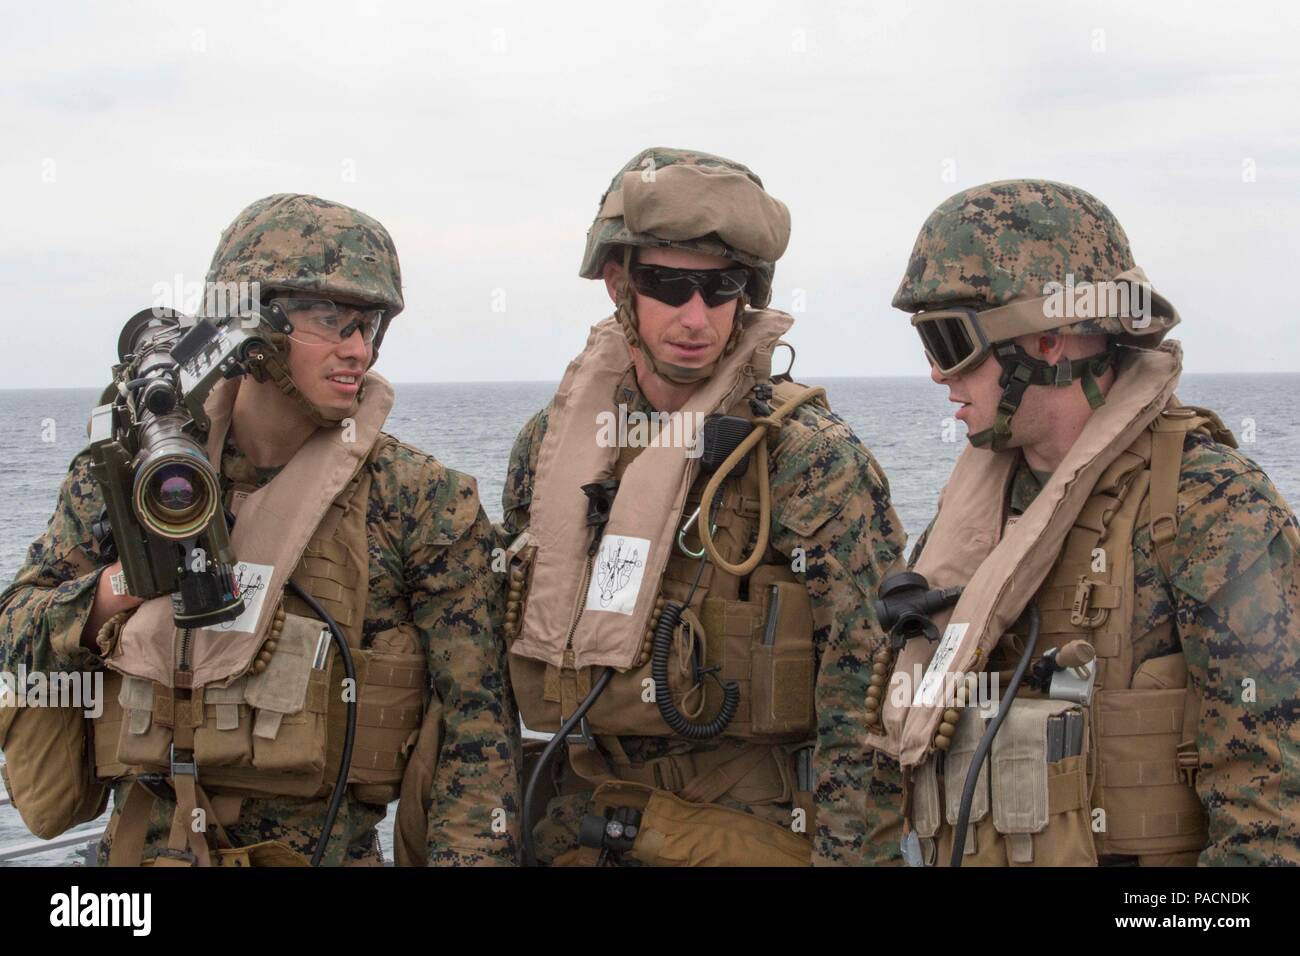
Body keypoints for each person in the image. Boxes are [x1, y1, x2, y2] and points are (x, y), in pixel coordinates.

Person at [0, 193, 520, 866]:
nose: (357, 350)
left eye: (371, 327)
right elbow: (15, 632)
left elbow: (477, 738)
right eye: (330, 320)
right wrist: (126, 585)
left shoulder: (420, 501)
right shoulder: (134, 478)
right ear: (250, 329)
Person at [865, 178, 1300, 866]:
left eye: (947, 341)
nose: (936, 376)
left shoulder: (1208, 506)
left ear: (1048, 342)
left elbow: (1272, 815)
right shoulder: (973, 515)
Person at [500, 147, 906, 866]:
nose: (697, 317)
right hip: (586, 814)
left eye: (721, 290)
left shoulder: (807, 456)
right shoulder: (552, 449)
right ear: (619, 285)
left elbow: (866, 688)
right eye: (668, 286)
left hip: (746, 827)